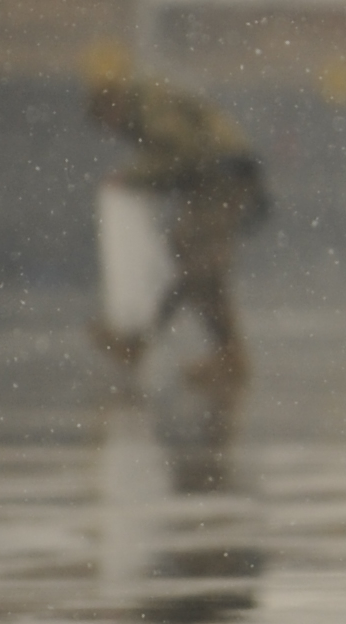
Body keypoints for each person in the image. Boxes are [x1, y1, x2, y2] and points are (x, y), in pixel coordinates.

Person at [82, 52, 265, 390]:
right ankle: (159, 343)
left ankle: (217, 352)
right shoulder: (145, 106)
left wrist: (133, 177)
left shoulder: (148, 107)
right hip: (215, 176)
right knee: (194, 263)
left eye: (107, 122)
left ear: (113, 106)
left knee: (196, 262)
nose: (112, 131)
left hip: (221, 175)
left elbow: (183, 151)